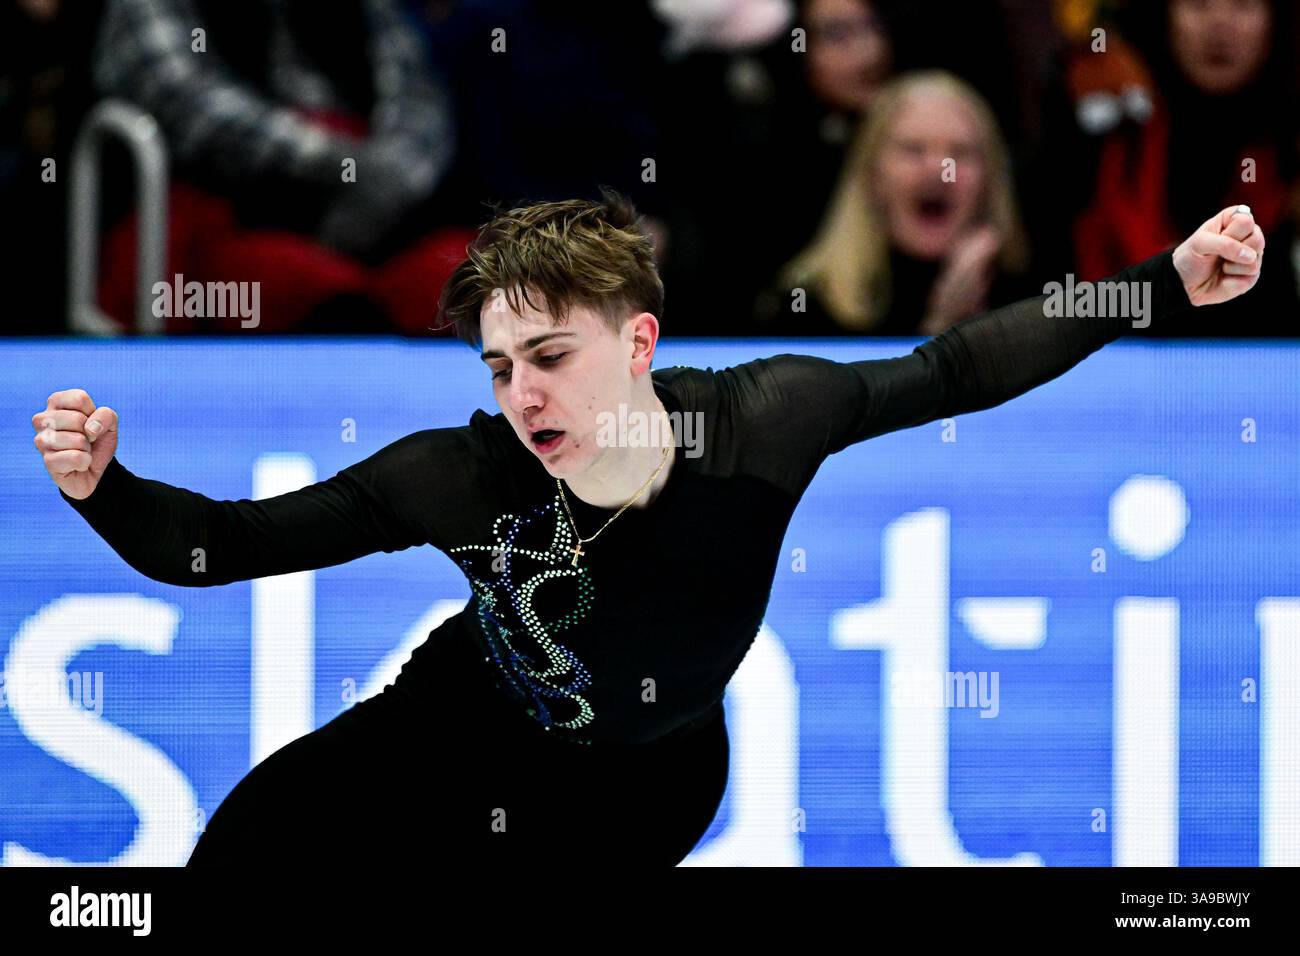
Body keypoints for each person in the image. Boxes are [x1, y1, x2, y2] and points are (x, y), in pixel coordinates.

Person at [34, 189, 1263, 866]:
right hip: (458, 723)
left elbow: (965, 365)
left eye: (551, 356)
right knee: (246, 853)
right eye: (501, 362)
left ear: (636, 343)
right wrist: (106, 488)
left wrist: (1161, 282)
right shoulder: (455, 476)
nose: (521, 393)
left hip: (644, 784)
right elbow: (224, 547)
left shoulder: (763, 420)